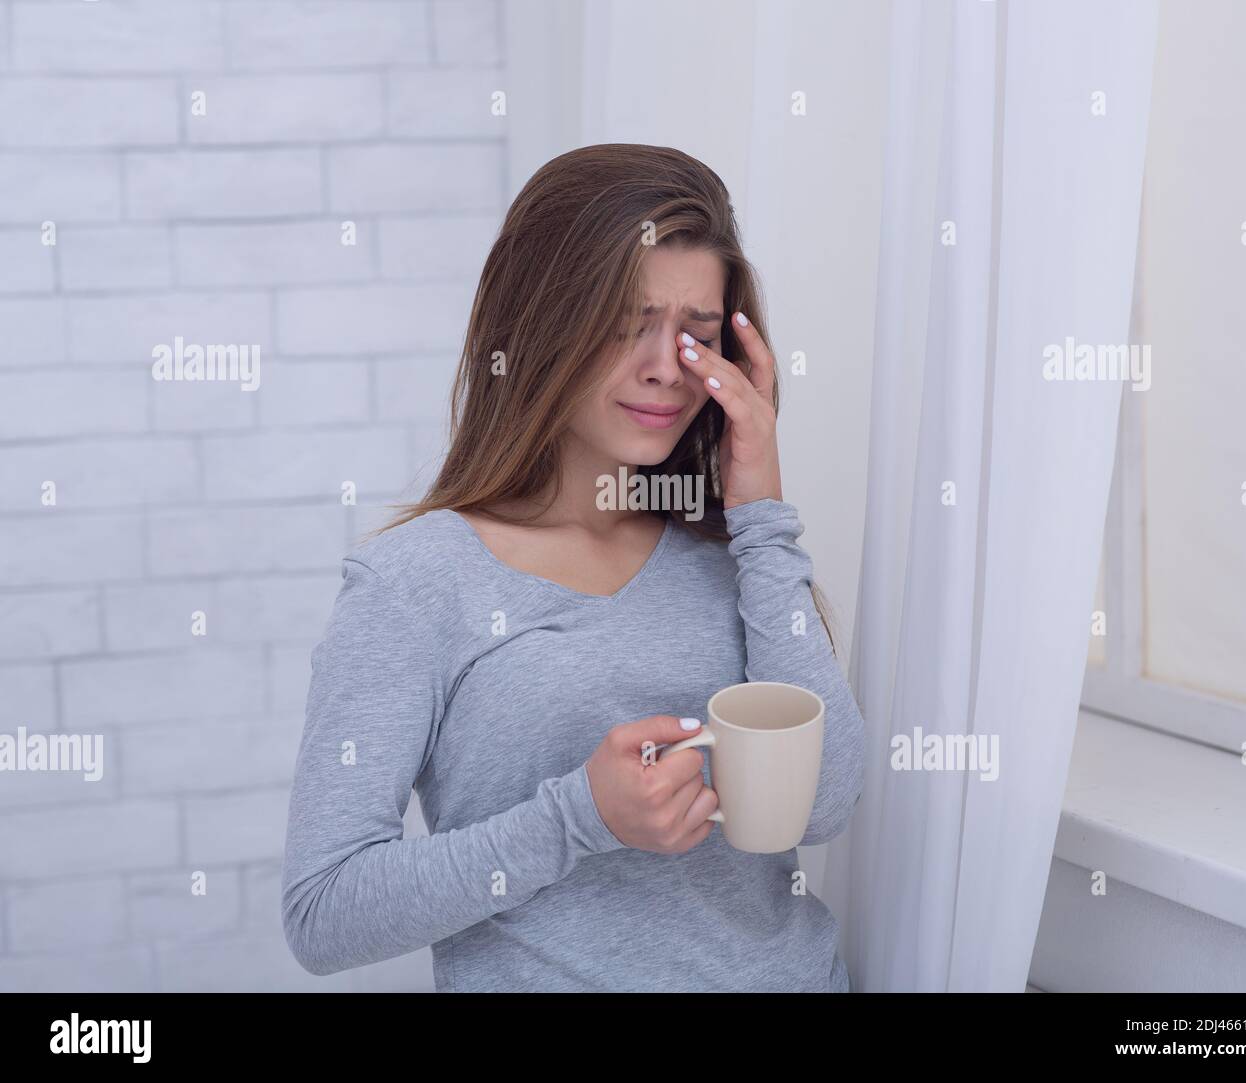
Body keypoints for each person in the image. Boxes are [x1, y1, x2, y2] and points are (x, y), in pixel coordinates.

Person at [281, 144, 866, 991]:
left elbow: (825, 804)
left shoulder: (740, 558)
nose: (667, 366)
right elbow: (323, 911)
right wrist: (576, 819)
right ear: (541, 321)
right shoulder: (415, 583)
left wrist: (762, 515)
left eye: (697, 335)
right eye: (629, 323)